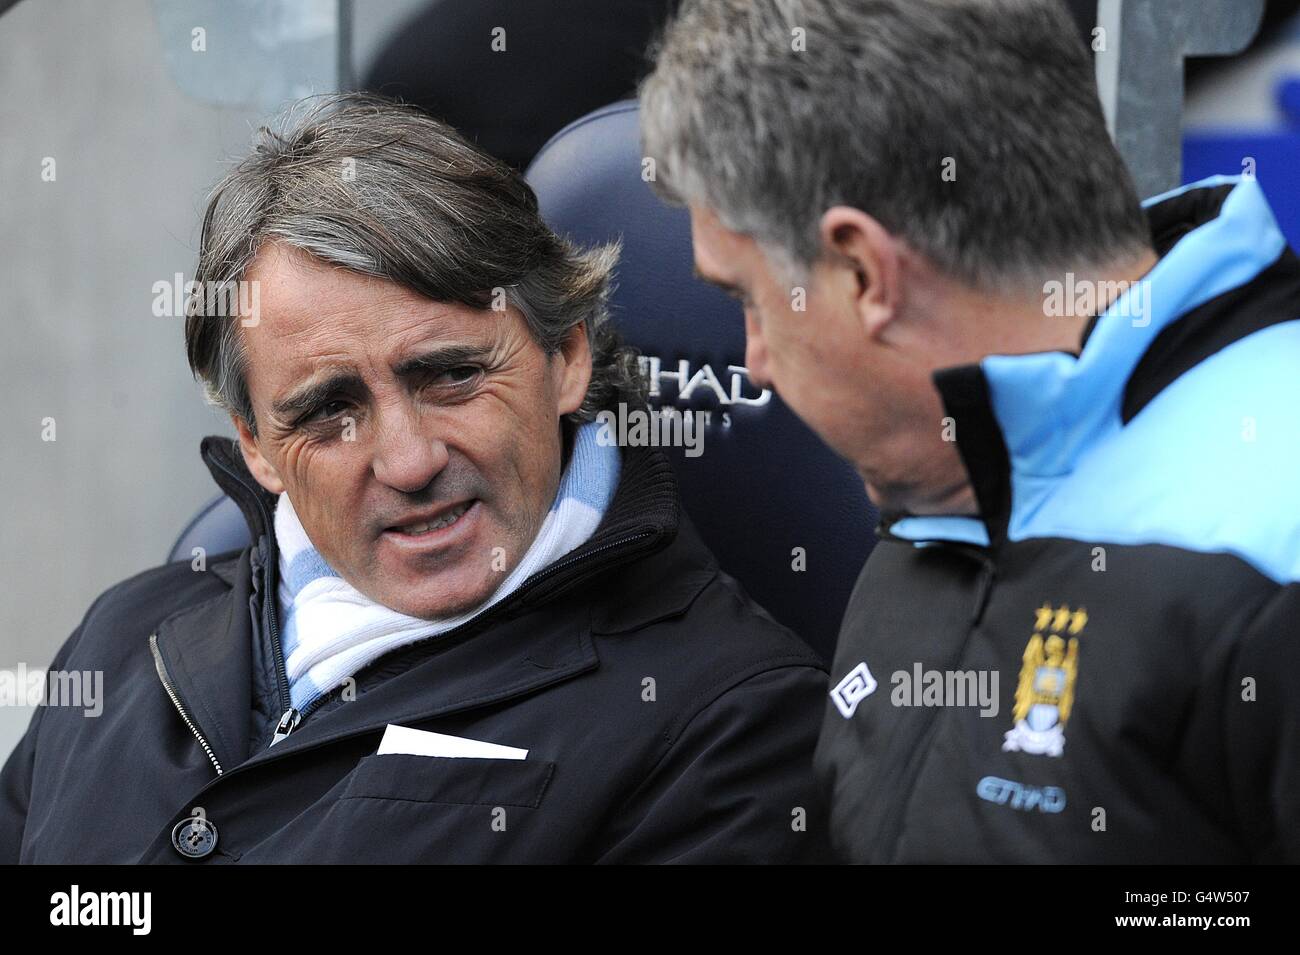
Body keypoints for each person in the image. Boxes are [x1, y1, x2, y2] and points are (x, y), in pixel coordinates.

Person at [0, 92, 831, 864]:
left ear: (566, 357)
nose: (409, 460)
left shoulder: (730, 725)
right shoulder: (125, 635)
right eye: (328, 409)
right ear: (254, 444)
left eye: (451, 376)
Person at [640, 0, 1300, 862]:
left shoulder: (1269, 545)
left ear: (863, 270)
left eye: (748, 300)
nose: (755, 361)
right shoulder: (954, 469)